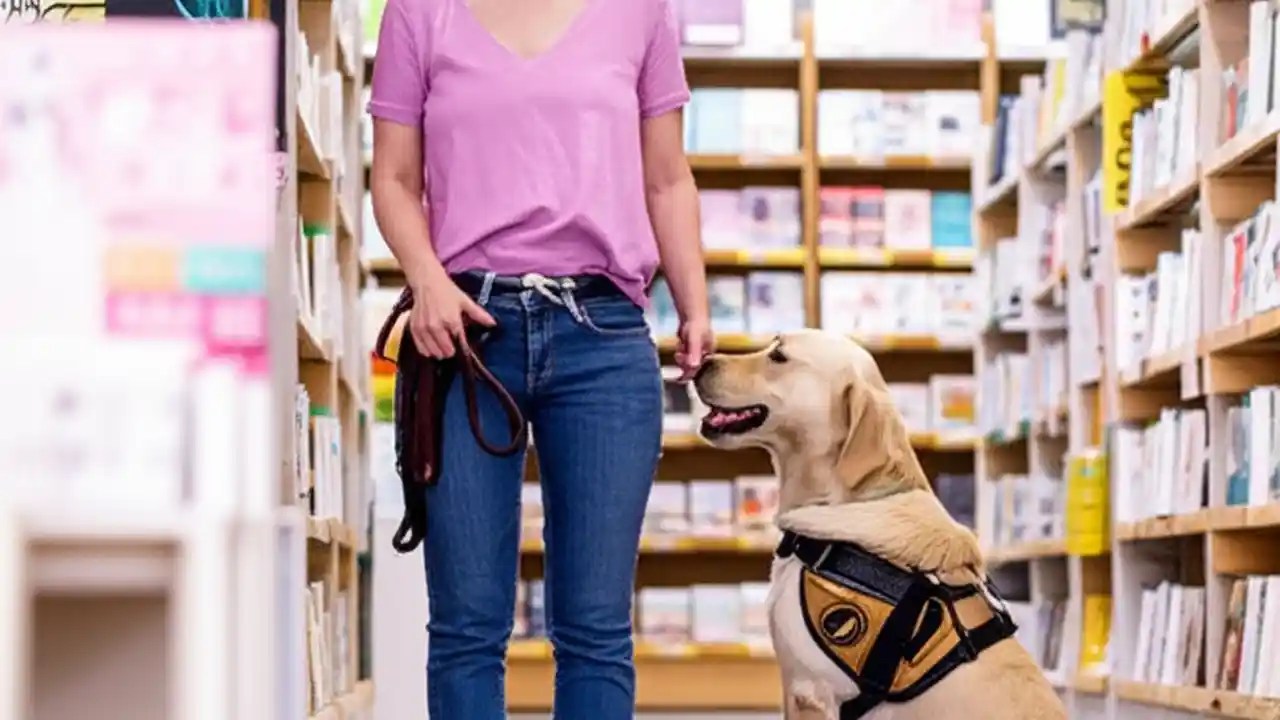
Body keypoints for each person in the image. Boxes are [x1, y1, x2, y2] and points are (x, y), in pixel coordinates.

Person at [366, 0, 710, 716]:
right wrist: (426, 278)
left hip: (604, 336)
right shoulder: (418, 12)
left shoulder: (640, 12)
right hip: (463, 334)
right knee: (466, 627)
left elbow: (667, 178)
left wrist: (695, 305)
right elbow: (394, 178)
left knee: (595, 629)